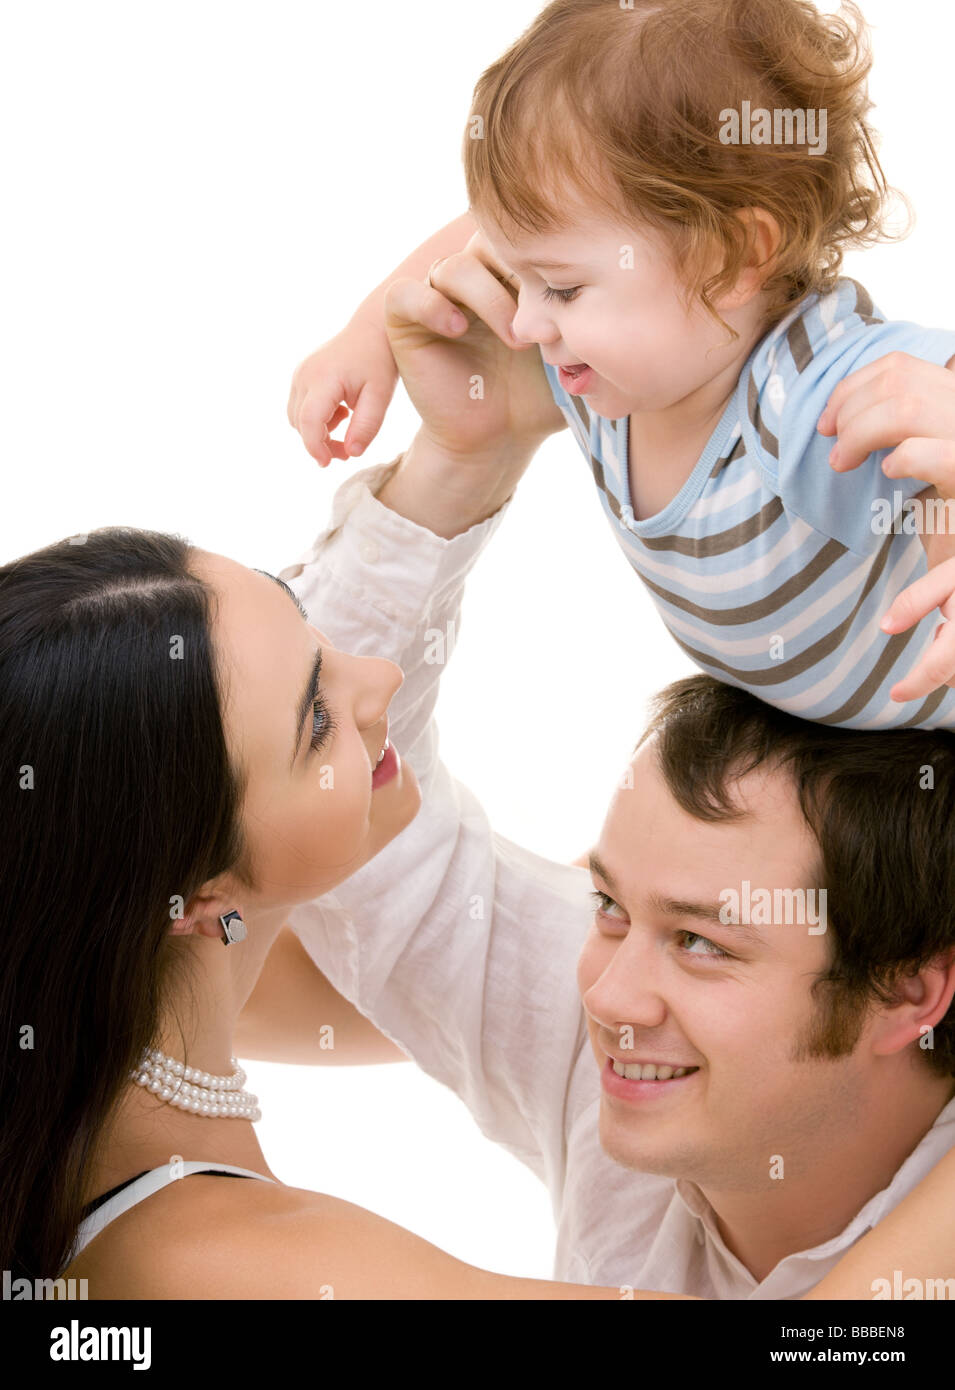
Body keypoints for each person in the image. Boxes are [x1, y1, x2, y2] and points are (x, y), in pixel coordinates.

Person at [287, 0, 955, 724]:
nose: (524, 317)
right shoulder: (594, 355)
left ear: (732, 257)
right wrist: (365, 335)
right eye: (524, 272)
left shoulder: (807, 390)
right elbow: (482, 233)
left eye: (564, 287)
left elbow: (926, 412)